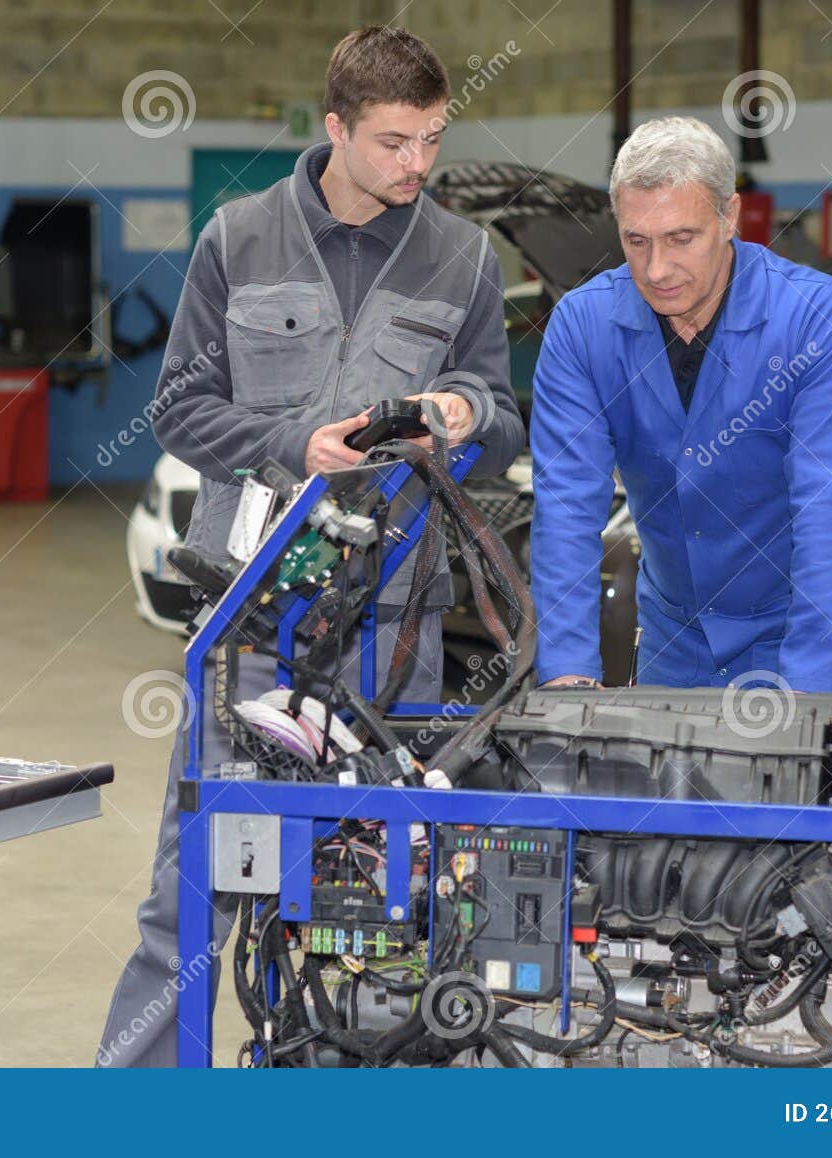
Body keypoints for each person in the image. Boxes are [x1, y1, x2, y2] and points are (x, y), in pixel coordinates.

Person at [98, 25, 525, 1067]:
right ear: (334, 128)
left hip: (394, 636)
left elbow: (506, 419)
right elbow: (180, 410)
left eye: (430, 138)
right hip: (252, 626)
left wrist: (462, 414)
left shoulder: (462, 256)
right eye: (392, 141)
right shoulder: (236, 240)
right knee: (191, 889)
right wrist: (296, 444)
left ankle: (345, 1075)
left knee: (381, 896)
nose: (416, 164)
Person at [531, 116, 832, 694]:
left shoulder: (817, 320)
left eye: (680, 239)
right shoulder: (582, 327)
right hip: (674, 640)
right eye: (635, 241)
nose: (656, 269)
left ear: (730, 218)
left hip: (796, 634)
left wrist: (813, 698)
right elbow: (566, 507)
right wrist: (568, 673)